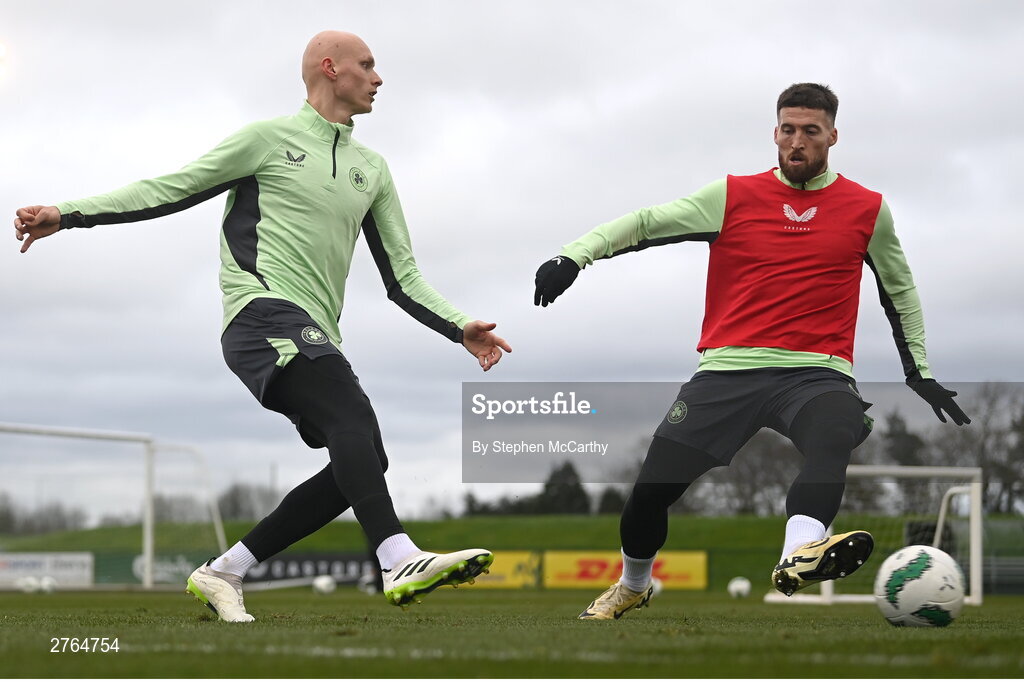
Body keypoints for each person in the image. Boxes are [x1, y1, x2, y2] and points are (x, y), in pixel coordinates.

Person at [14, 30, 511, 623]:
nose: (379, 79)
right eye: (368, 66)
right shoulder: (266, 140)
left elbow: (402, 277)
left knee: (365, 459)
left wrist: (461, 327)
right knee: (352, 418)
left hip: (312, 328)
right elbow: (170, 189)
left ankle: (226, 570)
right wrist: (66, 215)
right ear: (331, 69)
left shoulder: (372, 170)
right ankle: (396, 555)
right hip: (259, 314)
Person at [533, 83, 970, 620]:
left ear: (833, 136)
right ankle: (632, 583)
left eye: (811, 131)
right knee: (649, 495)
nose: (797, 141)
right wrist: (574, 256)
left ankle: (798, 555)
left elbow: (899, 290)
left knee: (834, 433)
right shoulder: (732, 195)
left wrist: (918, 370)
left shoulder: (868, 209)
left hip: (816, 374)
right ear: (775, 133)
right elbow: (646, 223)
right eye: (788, 129)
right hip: (727, 372)